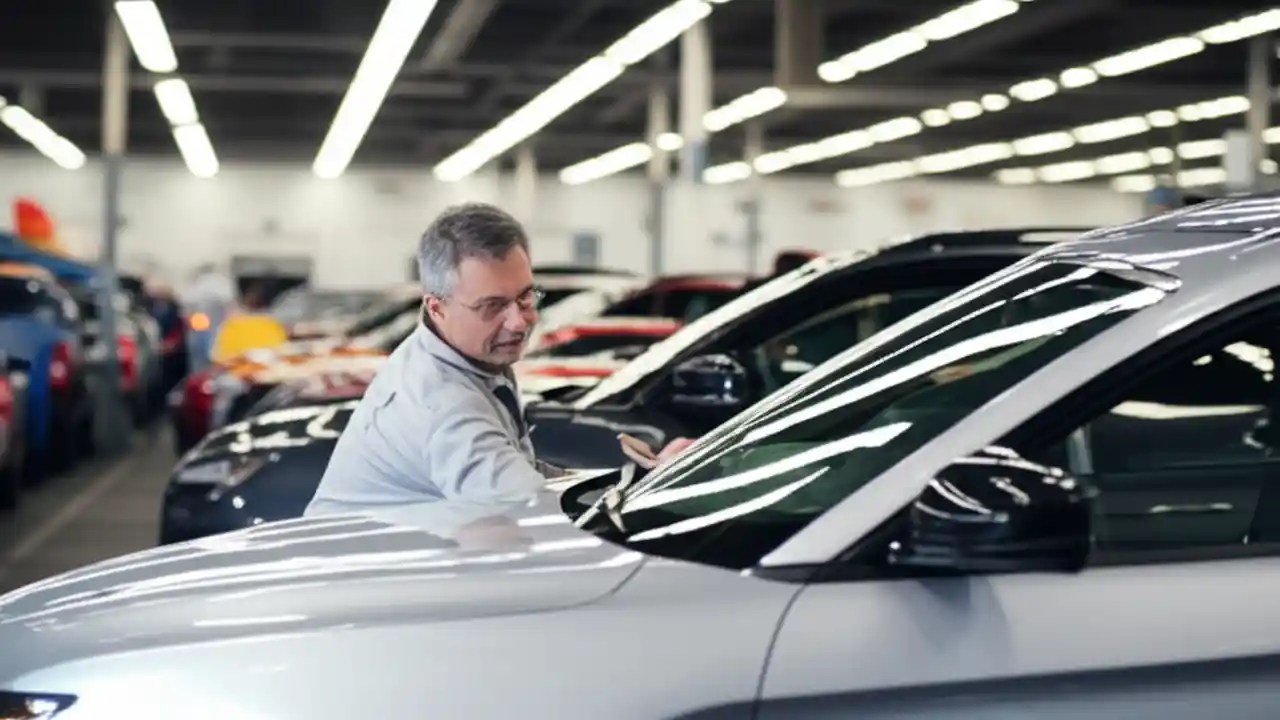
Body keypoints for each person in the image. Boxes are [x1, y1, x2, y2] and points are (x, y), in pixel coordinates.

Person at [305, 203, 687, 519]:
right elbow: (539, 515)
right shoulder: (446, 406)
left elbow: (525, 475)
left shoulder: (461, 354)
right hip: (362, 588)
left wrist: (636, 477)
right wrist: (655, 493)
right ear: (436, 307)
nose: (519, 321)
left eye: (525, 297)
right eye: (492, 306)